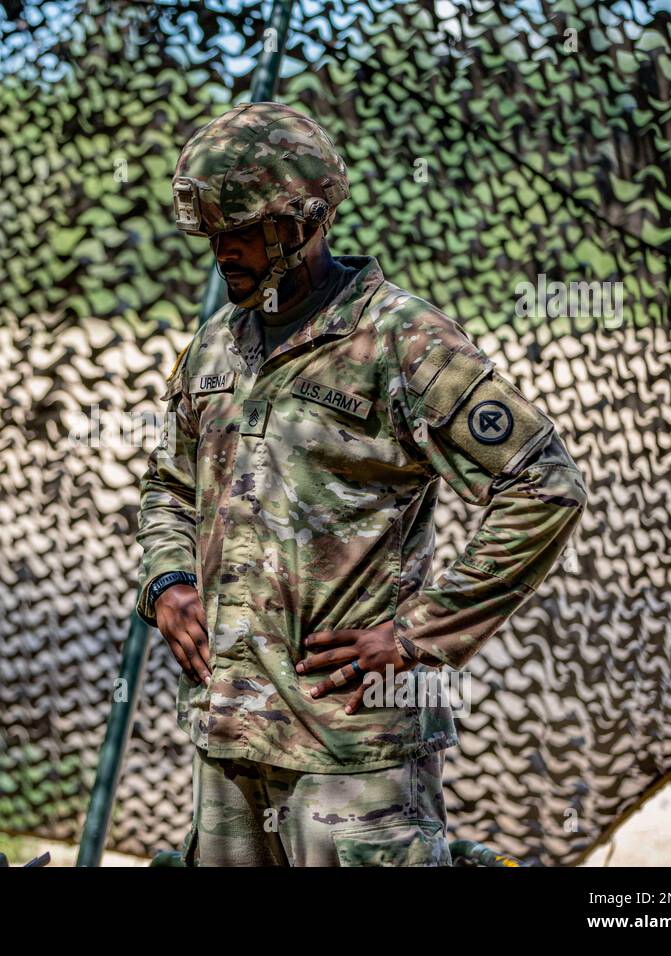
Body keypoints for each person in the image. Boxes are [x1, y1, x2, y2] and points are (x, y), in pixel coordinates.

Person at [137, 101, 588, 866]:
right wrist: (168, 582)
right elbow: (170, 483)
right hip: (229, 739)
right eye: (214, 232)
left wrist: (420, 638)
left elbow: (544, 486)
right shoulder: (214, 347)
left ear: (303, 221)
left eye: (242, 229)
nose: (224, 251)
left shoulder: (401, 341)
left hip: (355, 751)